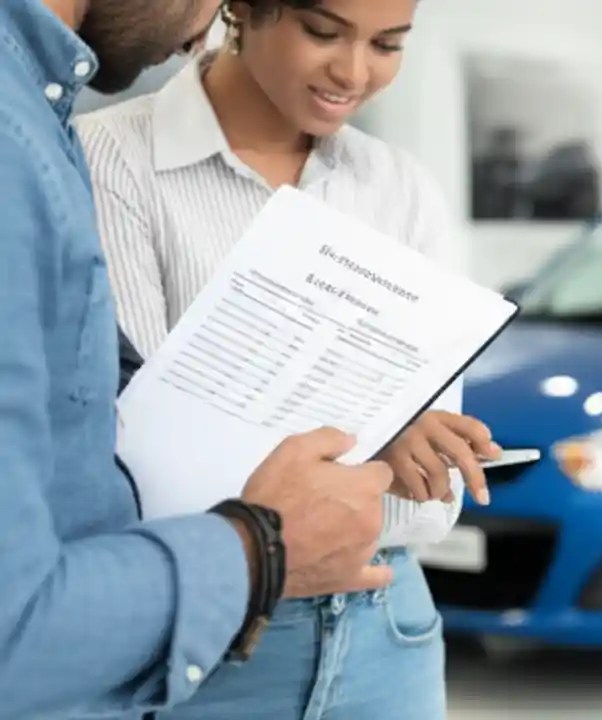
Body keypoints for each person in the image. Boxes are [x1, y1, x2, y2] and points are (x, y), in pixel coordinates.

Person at [0, 0, 453, 718]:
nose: (354, 70)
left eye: (389, 44)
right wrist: (367, 434)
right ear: (242, 10)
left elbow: (427, 510)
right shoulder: (92, 152)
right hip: (205, 632)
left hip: (383, 619)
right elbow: (132, 465)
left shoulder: (401, 187)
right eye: (323, 32)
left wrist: (394, 445)